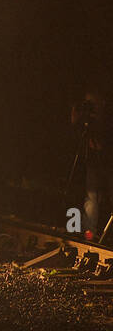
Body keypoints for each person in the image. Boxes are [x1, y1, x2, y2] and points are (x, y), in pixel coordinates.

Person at [70, 90, 112, 239]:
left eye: (93, 103)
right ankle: (89, 234)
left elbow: (103, 141)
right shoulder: (90, 120)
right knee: (91, 197)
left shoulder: (107, 119)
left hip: (108, 162)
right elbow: (76, 127)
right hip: (94, 162)